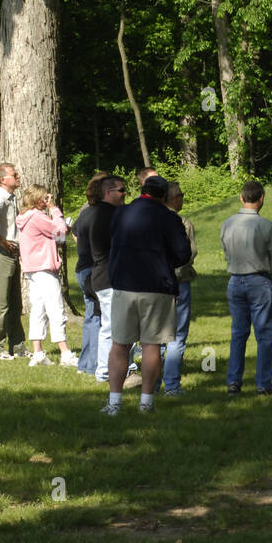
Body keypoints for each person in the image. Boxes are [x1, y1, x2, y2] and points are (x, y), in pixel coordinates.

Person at [102, 175, 192, 415]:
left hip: (124, 285)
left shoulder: (121, 213)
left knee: (120, 345)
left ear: (142, 190)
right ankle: (146, 403)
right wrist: (162, 260)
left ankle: (114, 403)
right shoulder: (169, 218)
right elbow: (183, 254)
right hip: (157, 287)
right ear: (163, 196)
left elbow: (113, 243)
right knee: (152, 345)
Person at [221, 180, 272, 395]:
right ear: (262, 198)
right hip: (259, 280)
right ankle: (263, 383)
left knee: (238, 333)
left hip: (235, 279)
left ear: (241, 197)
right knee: (265, 333)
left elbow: (226, 251)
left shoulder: (227, 223)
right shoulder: (267, 226)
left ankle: (234, 382)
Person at [16, 185, 77, 368]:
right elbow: (59, 231)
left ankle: (38, 352)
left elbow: (54, 234)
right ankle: (65, 353)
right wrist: (54, 209)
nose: (47, 201)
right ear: (36, 200)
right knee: (56, 309)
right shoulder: (36, 216)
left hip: (32, 268)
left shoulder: (24, 217)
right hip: (44, 268)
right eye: (44, 198)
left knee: (39, 309)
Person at [0, 162, 27, 359]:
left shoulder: (11, 198)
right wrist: (1, 240)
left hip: (11, 252)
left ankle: (18, 347)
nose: (17, 176)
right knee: (0, 305)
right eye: (14, 174)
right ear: (3, 180)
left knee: (15, 304)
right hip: (0, 252)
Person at [89, 175, 128, 382]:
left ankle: (106, 369)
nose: (125, 195)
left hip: (108, 277)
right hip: (109, 278)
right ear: (108, 193)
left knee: (112, 326)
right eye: (121, 190)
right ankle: (105, 371)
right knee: (113, 327)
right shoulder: (108, 215)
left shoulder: (106, 213)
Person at [160, 180, 196, 396]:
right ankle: (172, 385)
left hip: (155, 283)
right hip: (179, 282)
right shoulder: (182, 221)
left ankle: (152, 384)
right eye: (181, 195)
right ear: (174, 198)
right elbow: (190, 253)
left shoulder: (151, 219)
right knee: (177, 335)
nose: (183, 198)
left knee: (156, 336)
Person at [70, 173, 108, 375]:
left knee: (93, 317)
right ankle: (102, 366)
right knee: (105, 319)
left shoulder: (85, 212)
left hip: (83, 268)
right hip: (95, 270)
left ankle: (87, 364)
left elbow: (75, 231)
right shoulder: (99, 213)